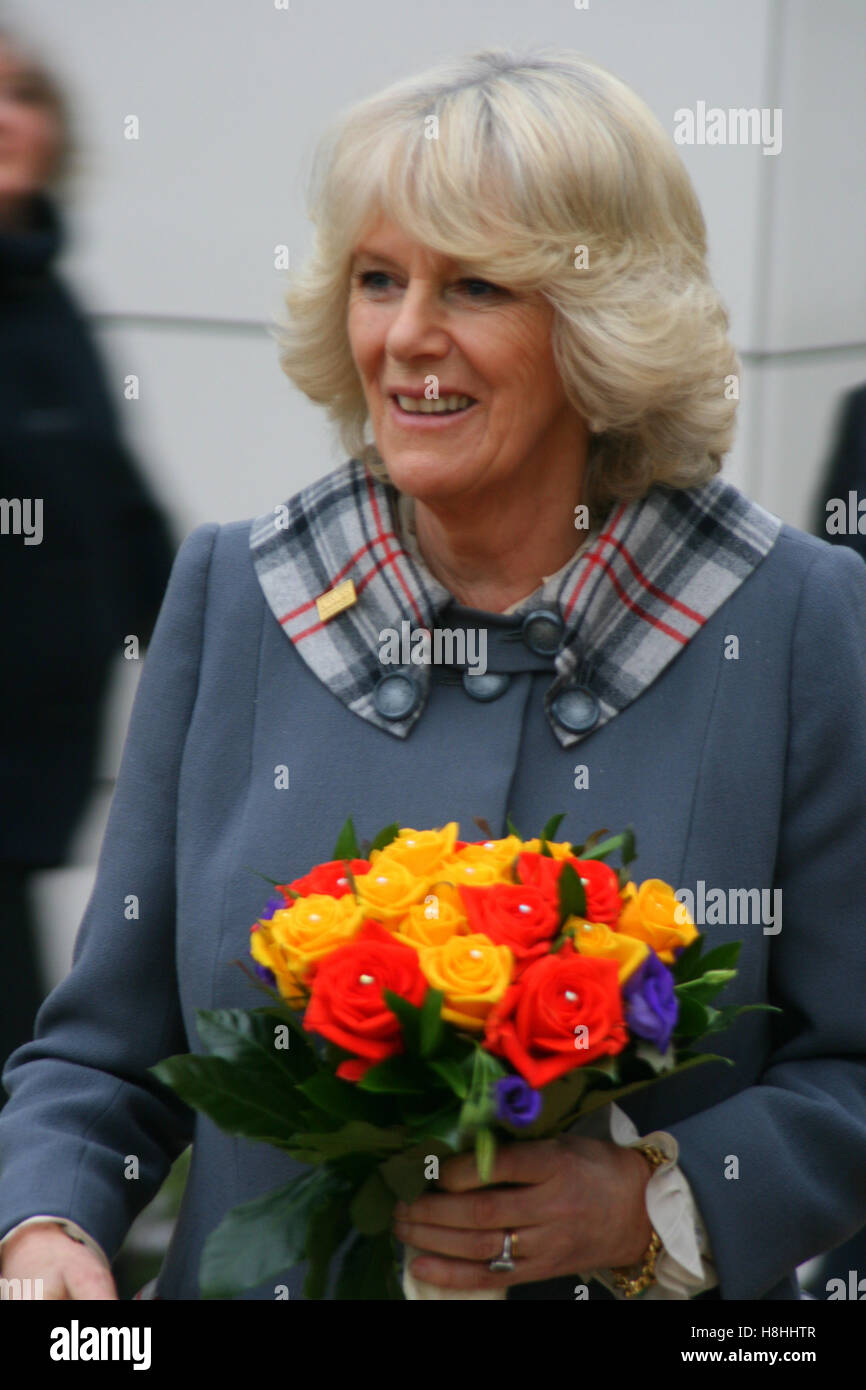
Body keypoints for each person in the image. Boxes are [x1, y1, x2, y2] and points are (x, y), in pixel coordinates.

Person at [1, 44, 865, 1302]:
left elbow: (850, 1068)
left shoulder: (792, 619)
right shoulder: (237, 592)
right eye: (376, 279)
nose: (407, 336)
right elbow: (103, 1057)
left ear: (601, 322)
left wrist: (649, 1202)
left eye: (473, 287)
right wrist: (47, 1229)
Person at [0, 28, 176, 1081]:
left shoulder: (46, 293)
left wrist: (206, 651)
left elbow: (118, 507)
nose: (10, 118)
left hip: (36, 758)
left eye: (26, 94)